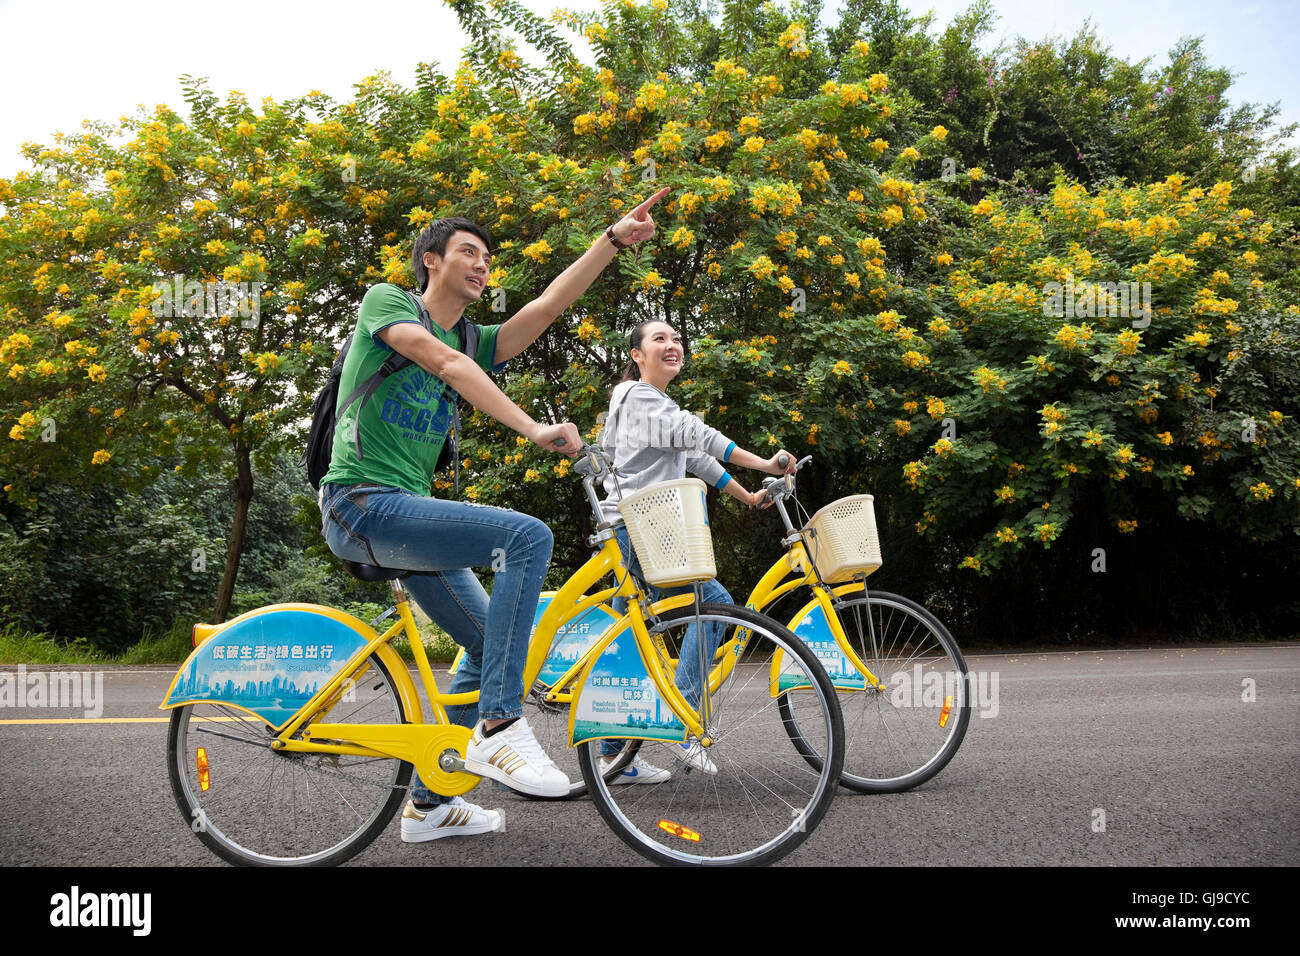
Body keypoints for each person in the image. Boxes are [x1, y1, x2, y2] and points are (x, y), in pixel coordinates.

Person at [318, 190, 668, 843]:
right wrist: (534, 428)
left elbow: (546, 307)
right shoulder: (388, 303)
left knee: (488, 641)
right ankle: (499, 726)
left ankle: (429, 806)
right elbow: (442, 363)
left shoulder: (474, 338)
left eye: (487, 259)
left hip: (406, 513)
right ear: (431, 261)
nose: (482, 266)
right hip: (362, 501)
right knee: (526, 535)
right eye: (468, 254)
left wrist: (612, 242)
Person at [595, 319, 796, 784]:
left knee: (627, 636)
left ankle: (611, 757)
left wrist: (748, 495)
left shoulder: (655, 403)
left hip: (638, 528)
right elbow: (699, 436)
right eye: (659, 339)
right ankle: (681, 716)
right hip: (637, 529)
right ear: (637, 355)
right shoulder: (635, 396)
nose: (672, 345)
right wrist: (765, 463)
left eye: (677, 339)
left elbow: (696, 457)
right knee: (716, 604)